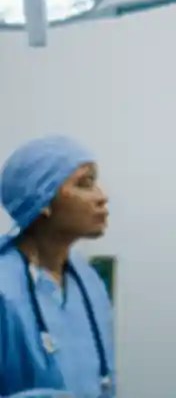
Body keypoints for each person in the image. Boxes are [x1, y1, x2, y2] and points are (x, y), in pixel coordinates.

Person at [0, 136, 115, 398]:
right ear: (43, 200)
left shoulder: (88, 281)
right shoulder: (4, 290)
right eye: (85, 183)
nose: (102, 196)